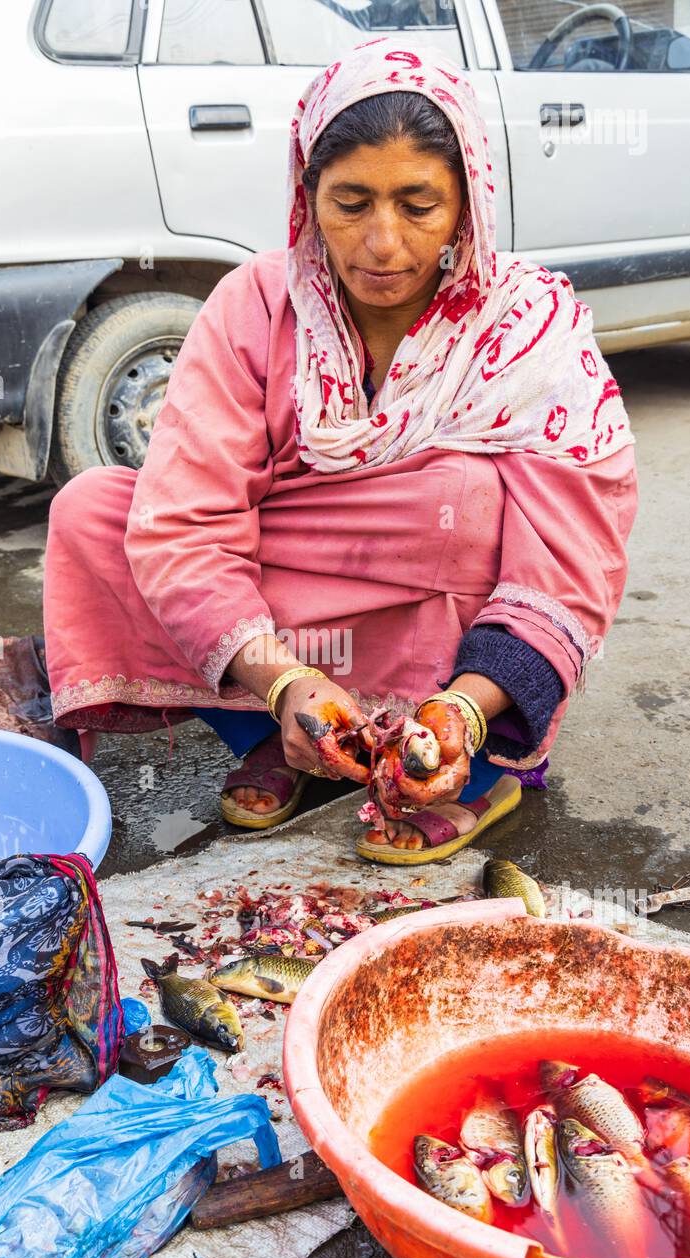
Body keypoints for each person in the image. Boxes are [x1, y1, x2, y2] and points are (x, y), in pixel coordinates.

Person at [43, 38, 638, 865]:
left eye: (417, 205)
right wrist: (287, 682)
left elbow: (570, 566)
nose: (383, 244)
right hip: (291, 619)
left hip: (441, 630)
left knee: (458, 496)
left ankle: (464, 760)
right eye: (350, 202)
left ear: (468, 205)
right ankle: (290, 726)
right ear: (306, 195)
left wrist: (461, 713)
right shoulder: (252, 306)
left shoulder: (530, 328)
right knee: (96, 514)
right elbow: (186, 521)